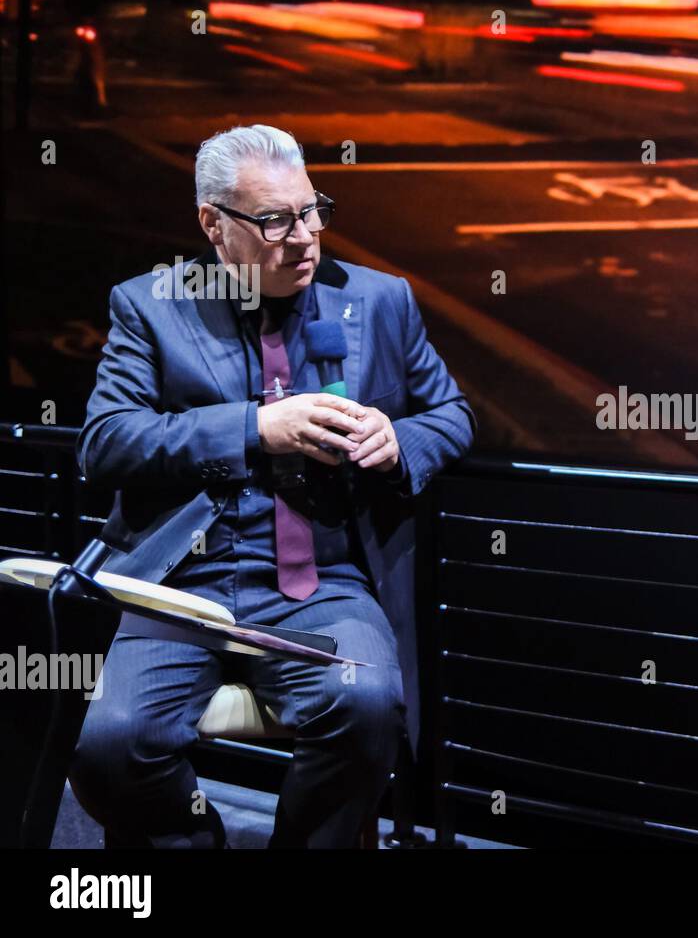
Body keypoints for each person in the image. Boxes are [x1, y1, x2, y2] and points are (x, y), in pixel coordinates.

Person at [68, 124, 476, 848]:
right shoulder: (150, 305)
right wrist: (256, 428)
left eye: (312, 209)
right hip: (179, 582)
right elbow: (106, 444)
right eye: (276, 220)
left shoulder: (380, 302)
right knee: (110, 741)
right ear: (213, 224)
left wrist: (400, 440)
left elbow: (451, 412)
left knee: (369, 703)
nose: (305, 238)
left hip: (325, 582)